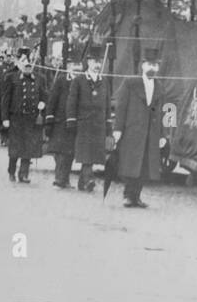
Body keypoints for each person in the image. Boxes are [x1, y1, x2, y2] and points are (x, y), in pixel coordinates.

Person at [112, 46, 166, 209]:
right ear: (143, 65)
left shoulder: (159, 86)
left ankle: (137, 196)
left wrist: (162, 135)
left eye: (155, 65)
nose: (152, 68)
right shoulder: (130, 83)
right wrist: (118, 129)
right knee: (130, 164)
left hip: (151, 132)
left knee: (144, 165)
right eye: (149, 64)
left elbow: (162, 112)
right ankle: (128, 195)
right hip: (132, 130)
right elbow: (121, 107)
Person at [66, 45, 111, 192]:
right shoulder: (79, 80)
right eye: (94, 62)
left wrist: (108, 123)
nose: (97, 65)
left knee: (93, 154)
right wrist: (71, 120)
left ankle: (82, 182)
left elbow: (107, 103)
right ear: (88, 63)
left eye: (99, 62)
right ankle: (89, 179)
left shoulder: (104, 81)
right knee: (85, 153)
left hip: (98, 124)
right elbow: (71, 102)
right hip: (83, 123)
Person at [0, 49, 45, 184]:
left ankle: (23, 174)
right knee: (15, 147)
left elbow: (44, 94)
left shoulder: (39, 79)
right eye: (25, 64)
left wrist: (43, 102)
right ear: (20, 65)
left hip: (31, 119)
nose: (28, 67)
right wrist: (5, 118)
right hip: (16, 119)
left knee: (29, 147)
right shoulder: (11, 78)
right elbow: (5, 99)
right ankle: (12, 171)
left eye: (30, 65)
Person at [44, 57, 80, 189]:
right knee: (59, 153)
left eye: (79, 66)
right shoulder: (61, 80)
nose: (77, 69)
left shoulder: (81, 81)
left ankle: (65, 179)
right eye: (74, 66)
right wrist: (49, 119)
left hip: (74, 122)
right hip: (60, 122)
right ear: (69, 67)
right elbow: (52, 100)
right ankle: (59, 179)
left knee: (69, 153)